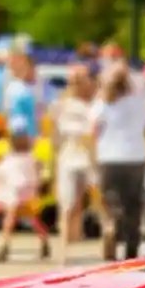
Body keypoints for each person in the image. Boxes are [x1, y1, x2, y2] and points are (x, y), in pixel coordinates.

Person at [92, 64, 145, 261]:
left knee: (111, 200)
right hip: (135, 157)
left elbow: (94, 129)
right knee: (134, 205)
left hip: (109, 158)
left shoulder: (103, 103)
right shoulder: (138, 102)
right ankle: (131, 249)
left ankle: (112, 227)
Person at [50, 64, 98, 265]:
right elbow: (55, 136)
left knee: (96, 202)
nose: (77, 84)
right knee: (67, 203)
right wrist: (53, 161)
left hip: (89, 156)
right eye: (74, 81)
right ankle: (63, 251)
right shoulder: (61, 105)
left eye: (80, 80)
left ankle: (92, 242)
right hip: (69, 155)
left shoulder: (95, 104)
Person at [0, 115, 50, 262]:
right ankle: (43, 241)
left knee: (13, 216)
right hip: (26, 188)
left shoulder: (14, 155)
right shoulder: (29, 154)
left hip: (17, 189)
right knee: (31, 217)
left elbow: (2, 172)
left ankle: (5, 244)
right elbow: (37, 170)